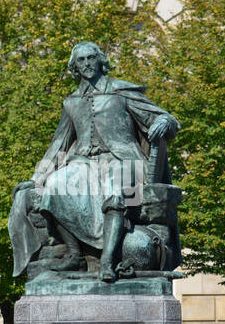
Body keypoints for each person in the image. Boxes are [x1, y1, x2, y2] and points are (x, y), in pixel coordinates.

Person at [10, 42, 178, 282]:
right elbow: (59, 145)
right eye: (81, 60)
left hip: (123, 160)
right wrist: (36, 179)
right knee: (55, 185)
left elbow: (164, 118)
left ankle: (107, 262)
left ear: (100, 61)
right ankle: (75, 255)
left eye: (91, 58)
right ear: (74, 67)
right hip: (84, 164)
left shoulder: (121, 92)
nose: (87, 64)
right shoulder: (71, 102)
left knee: (115, 192)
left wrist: (166, 121)